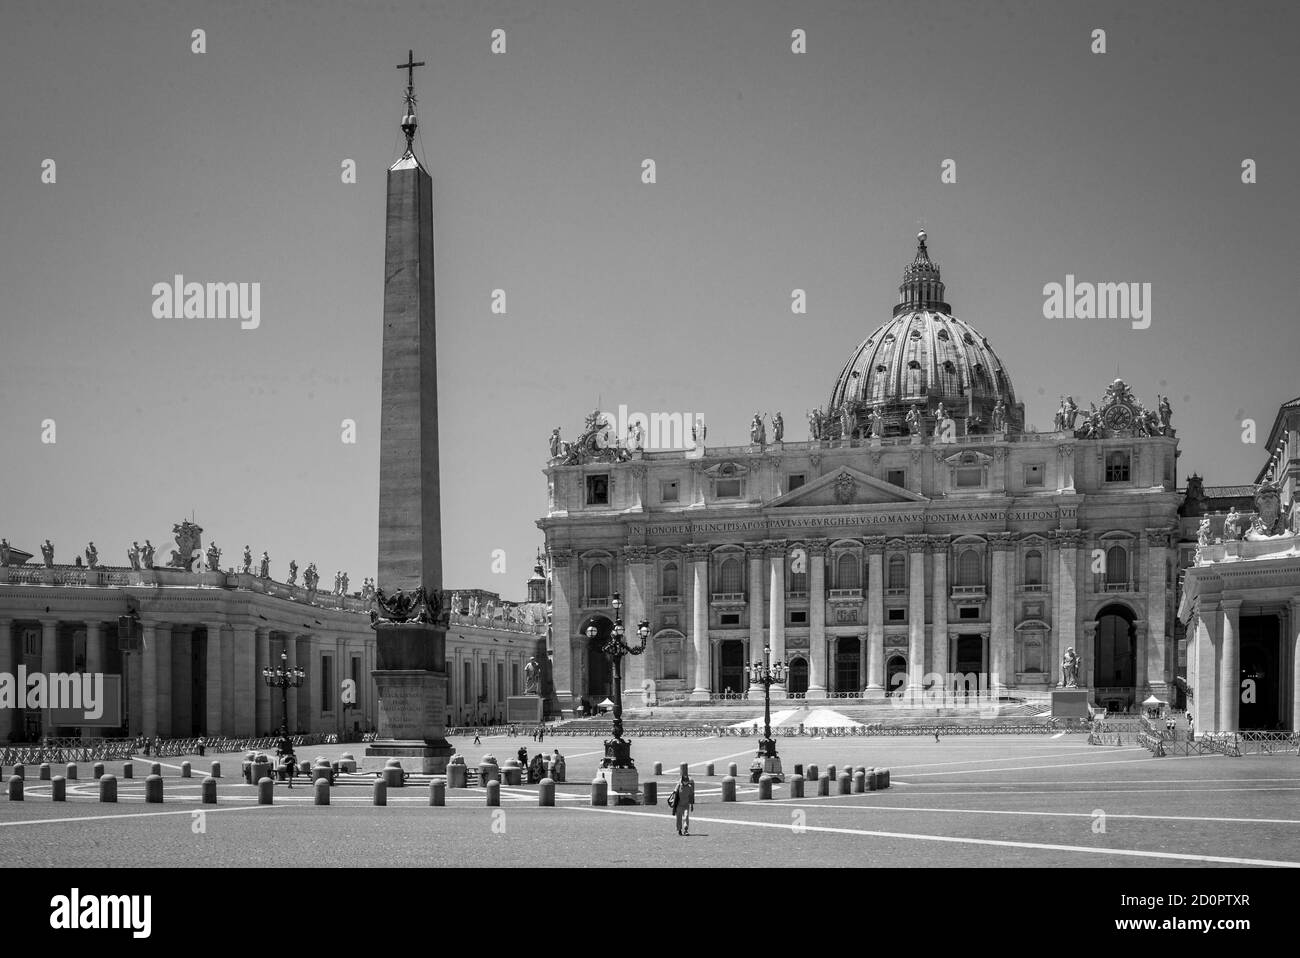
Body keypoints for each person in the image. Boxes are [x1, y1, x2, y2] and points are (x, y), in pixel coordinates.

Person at [670, 764, 695, 836]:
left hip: (686, 805)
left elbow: (691, 796)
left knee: (686, 817)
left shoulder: (689, 787)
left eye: (687, 781)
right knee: (679, 818)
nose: (686, 782)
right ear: (682, 781)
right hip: (679, 805)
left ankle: (686, 830)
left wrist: (692, 805)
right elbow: (674, 792)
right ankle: (679, 830)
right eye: (685, 781)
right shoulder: (679, 785)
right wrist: (673, 802)